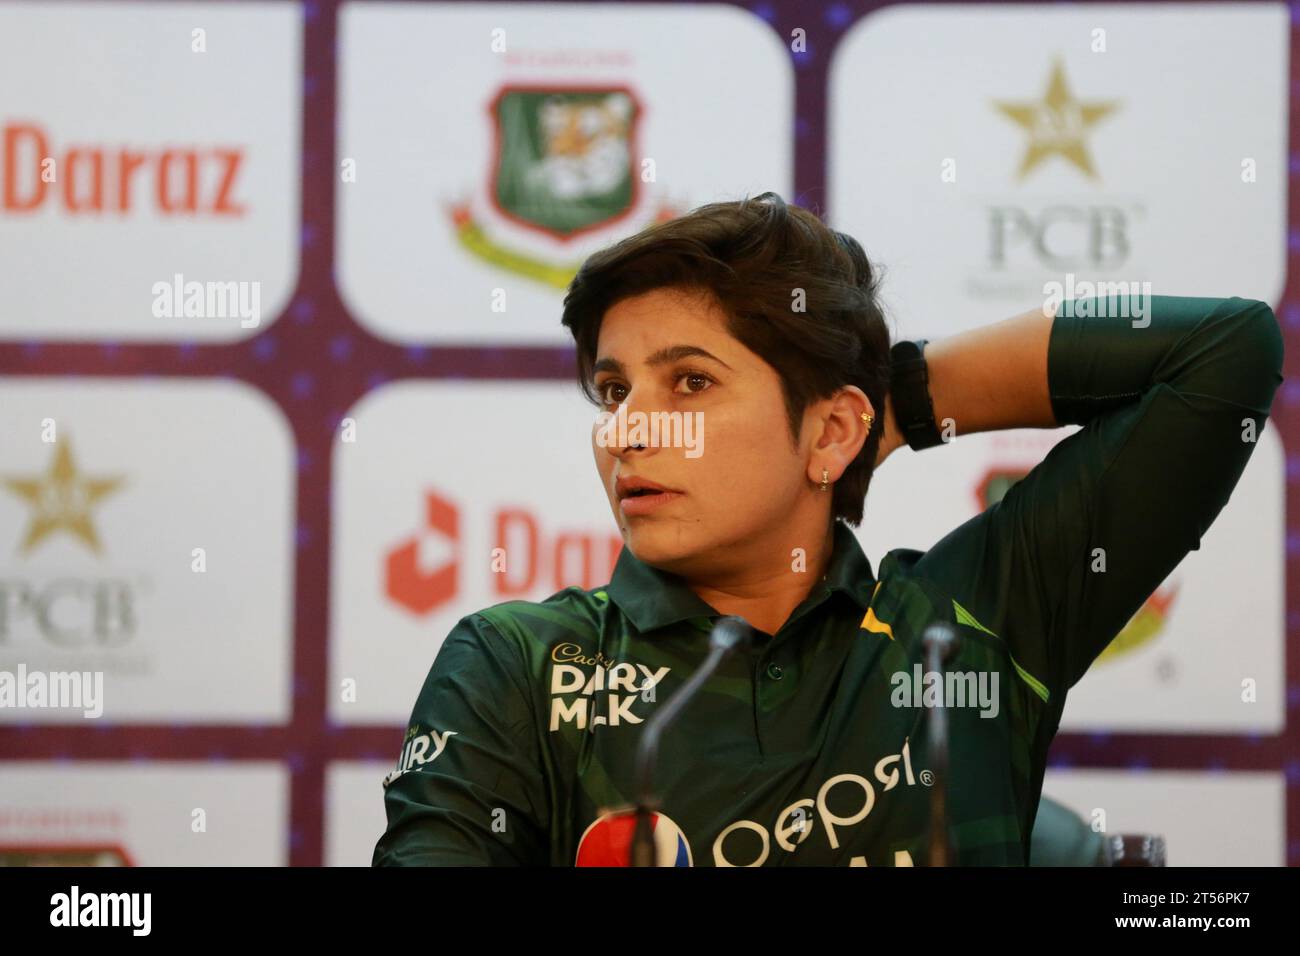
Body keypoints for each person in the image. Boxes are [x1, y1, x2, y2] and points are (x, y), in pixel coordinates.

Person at [373, 192, 1283, 866]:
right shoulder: (517, 665)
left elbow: (1226, 354)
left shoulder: (969, 621)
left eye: (689, 381)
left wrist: (896, 406)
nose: (627, 429)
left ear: (831, 427)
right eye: (613, 391)